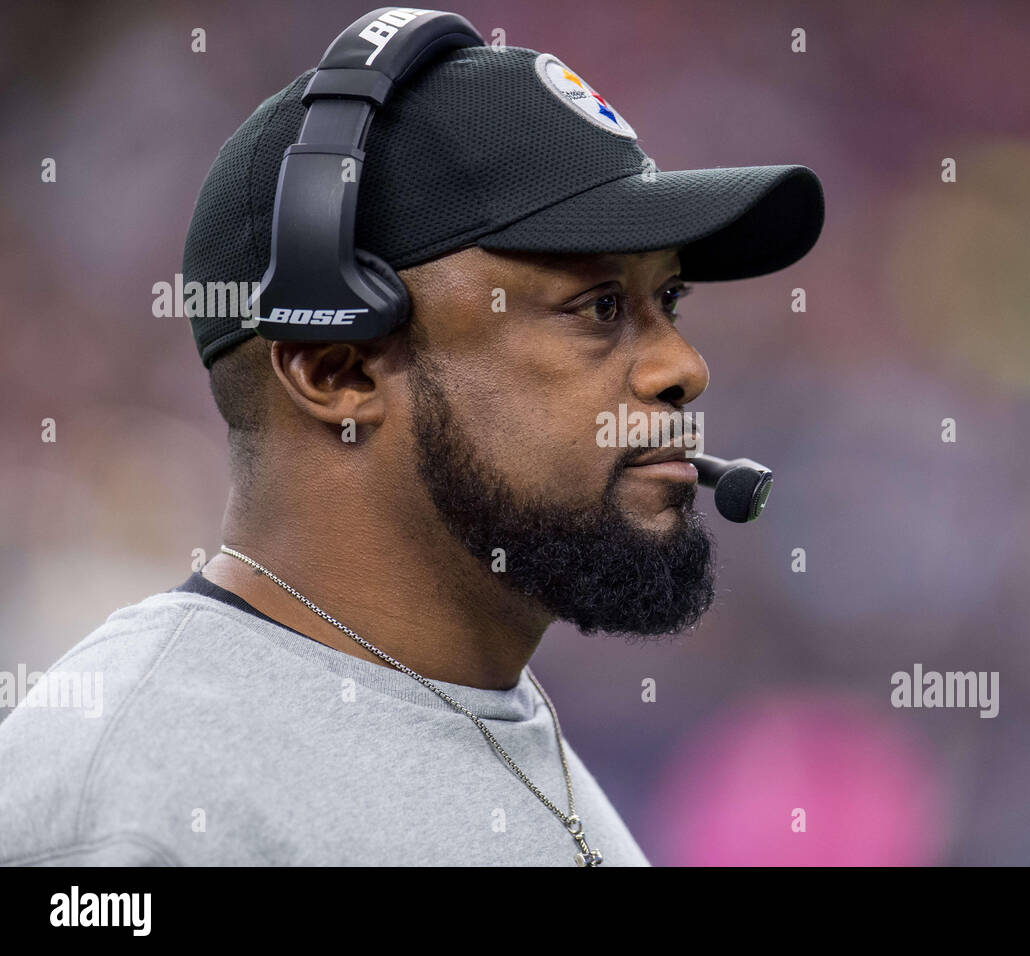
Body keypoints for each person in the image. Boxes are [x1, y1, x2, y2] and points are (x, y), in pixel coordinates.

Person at [0, 28, 823, 866]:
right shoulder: (127, 808)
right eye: (600, 307)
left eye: (670, 299)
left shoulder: (494, 719)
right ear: (338, 370)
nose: (685, 367)